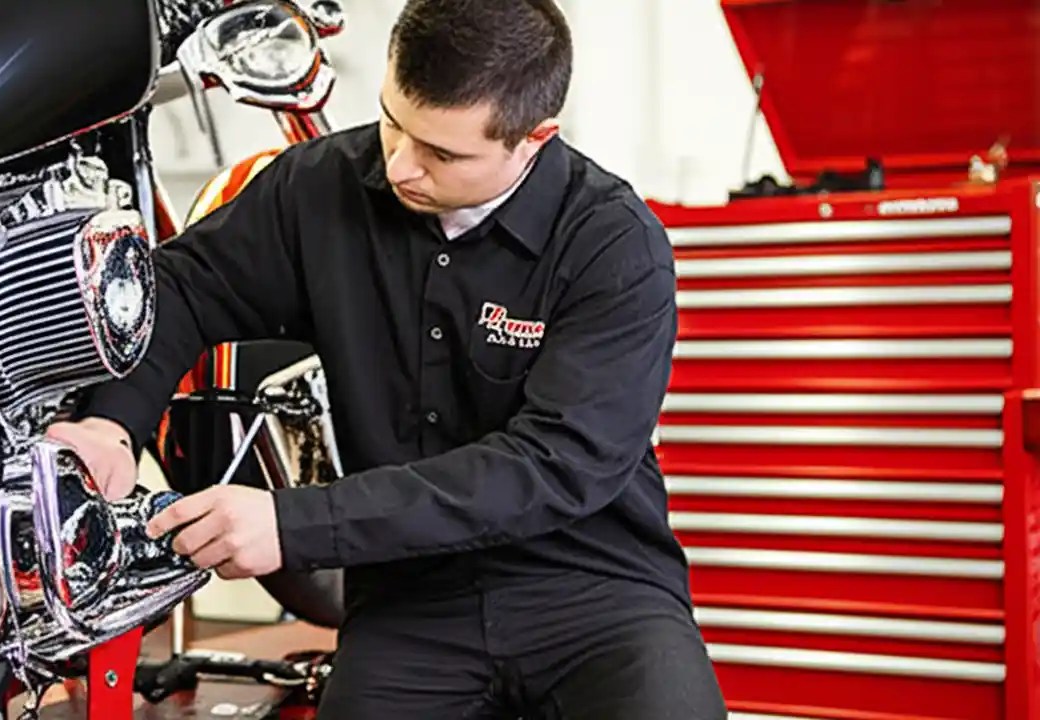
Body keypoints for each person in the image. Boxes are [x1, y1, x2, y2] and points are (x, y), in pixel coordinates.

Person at [47, 0, 728, 717]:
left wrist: (295, 525)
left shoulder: (612, 246)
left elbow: (553, 464)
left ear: (534, 139)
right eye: (393, 121)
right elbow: (180, 290)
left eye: (442, 153)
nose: (401, 166)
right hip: (411, 598)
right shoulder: (318, 188)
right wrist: (110, 424)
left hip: (593, 591)